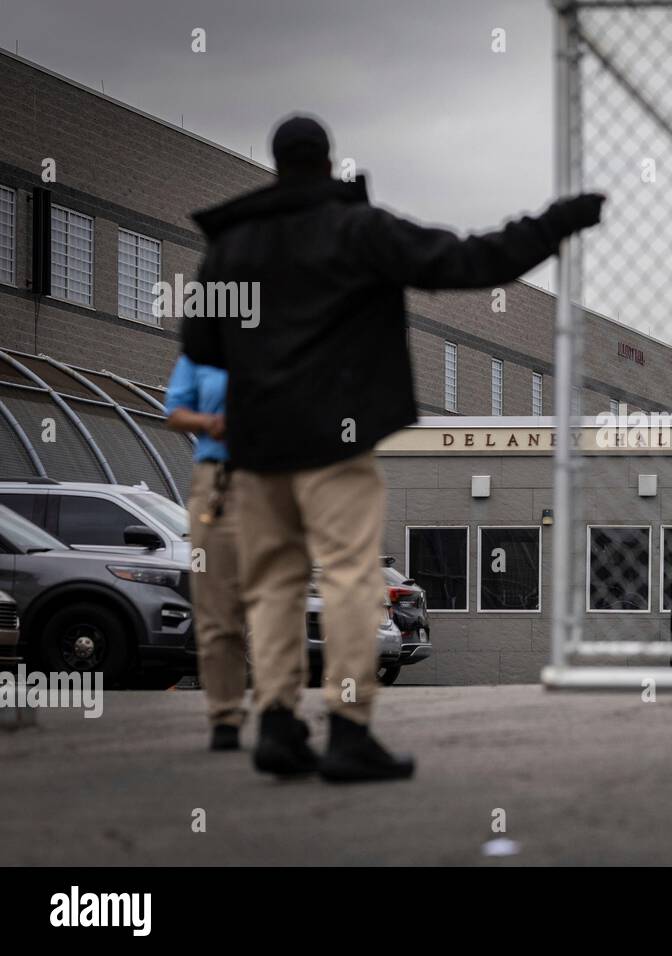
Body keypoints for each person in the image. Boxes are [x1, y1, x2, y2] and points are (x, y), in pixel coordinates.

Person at [181, 114, 604, 783]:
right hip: (336, 438)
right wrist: (557, 222)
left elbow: (201, 344)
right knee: (349, 576)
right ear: (328, 164)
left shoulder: (231, 248)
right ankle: (348, 731)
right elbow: (467, 261)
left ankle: (279, 723)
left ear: (277, 165)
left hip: (257, 445)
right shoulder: (358, 230)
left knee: (274, 586)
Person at [164, 354, 247, 751]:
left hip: (275, 478)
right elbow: (175, 412)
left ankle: (280, 710)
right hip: (218, 478)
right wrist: (210, 422)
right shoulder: (202, 351)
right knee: (217, 605)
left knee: (277, 602)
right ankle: (225, 714)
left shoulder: (284, 336)